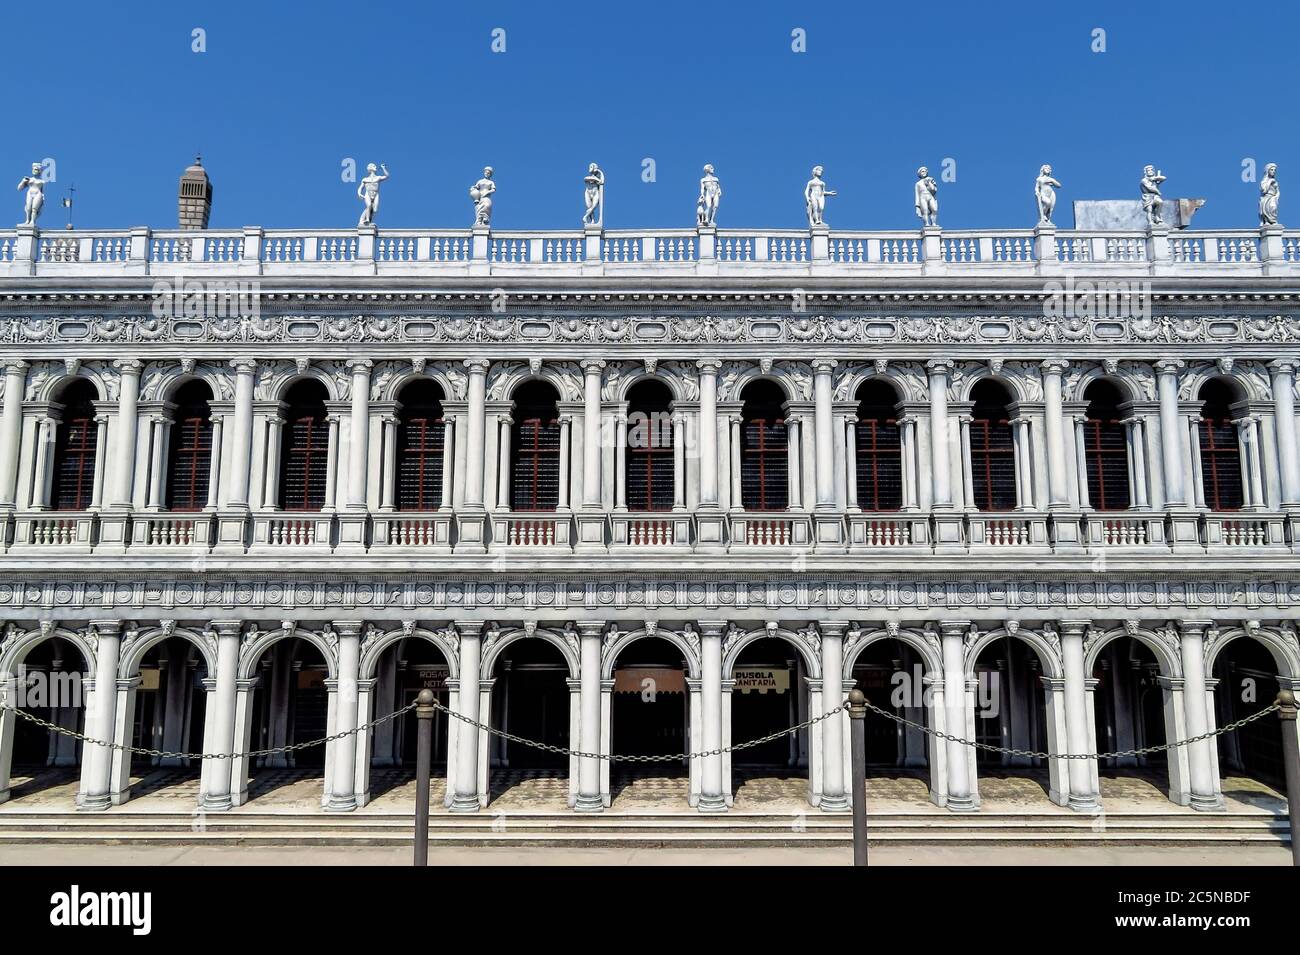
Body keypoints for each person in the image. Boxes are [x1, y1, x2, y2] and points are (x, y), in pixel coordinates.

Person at [356, 162, 389, 227]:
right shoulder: (365, 179)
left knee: (375, 210)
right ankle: (367, 220)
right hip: (367, 194)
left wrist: (383, 168)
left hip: (375, 194)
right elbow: (360, 188)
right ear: (370, 168)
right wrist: (359, 193)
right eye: (374, 166)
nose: (376, 167)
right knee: (369, 205)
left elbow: (387, 176)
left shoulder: (378, 178)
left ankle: (366, 220)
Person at [16, 162, 45, 227]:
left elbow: (43, 191)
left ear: (39, 171)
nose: (34, 171)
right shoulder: (28, 179)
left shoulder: (42, 181)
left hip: (38, 194)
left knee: (34, 208)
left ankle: (32, 221)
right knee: (28, 208)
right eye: (34, 169)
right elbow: (19, 188)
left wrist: (43, 198)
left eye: (36, 169)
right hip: (30, 193)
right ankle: (27, 220)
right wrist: (23, 181)